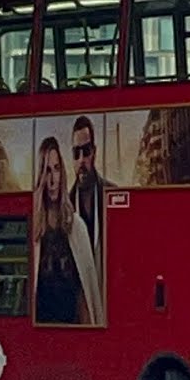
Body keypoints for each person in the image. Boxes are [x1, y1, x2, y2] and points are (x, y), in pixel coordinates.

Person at [32, 136, 103, 326]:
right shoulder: (34, 229)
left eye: (56, 169)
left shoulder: (76, 226)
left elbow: (85, 293)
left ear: (62, 173)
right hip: (40, 331)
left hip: (71, 329)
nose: (52, 180)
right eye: (47, 171)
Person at [70, 115, 115, 268]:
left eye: (86, 151)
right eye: (76, 153)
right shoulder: (66, 205)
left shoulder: (111, 193)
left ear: (94, 152)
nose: (81, 160)